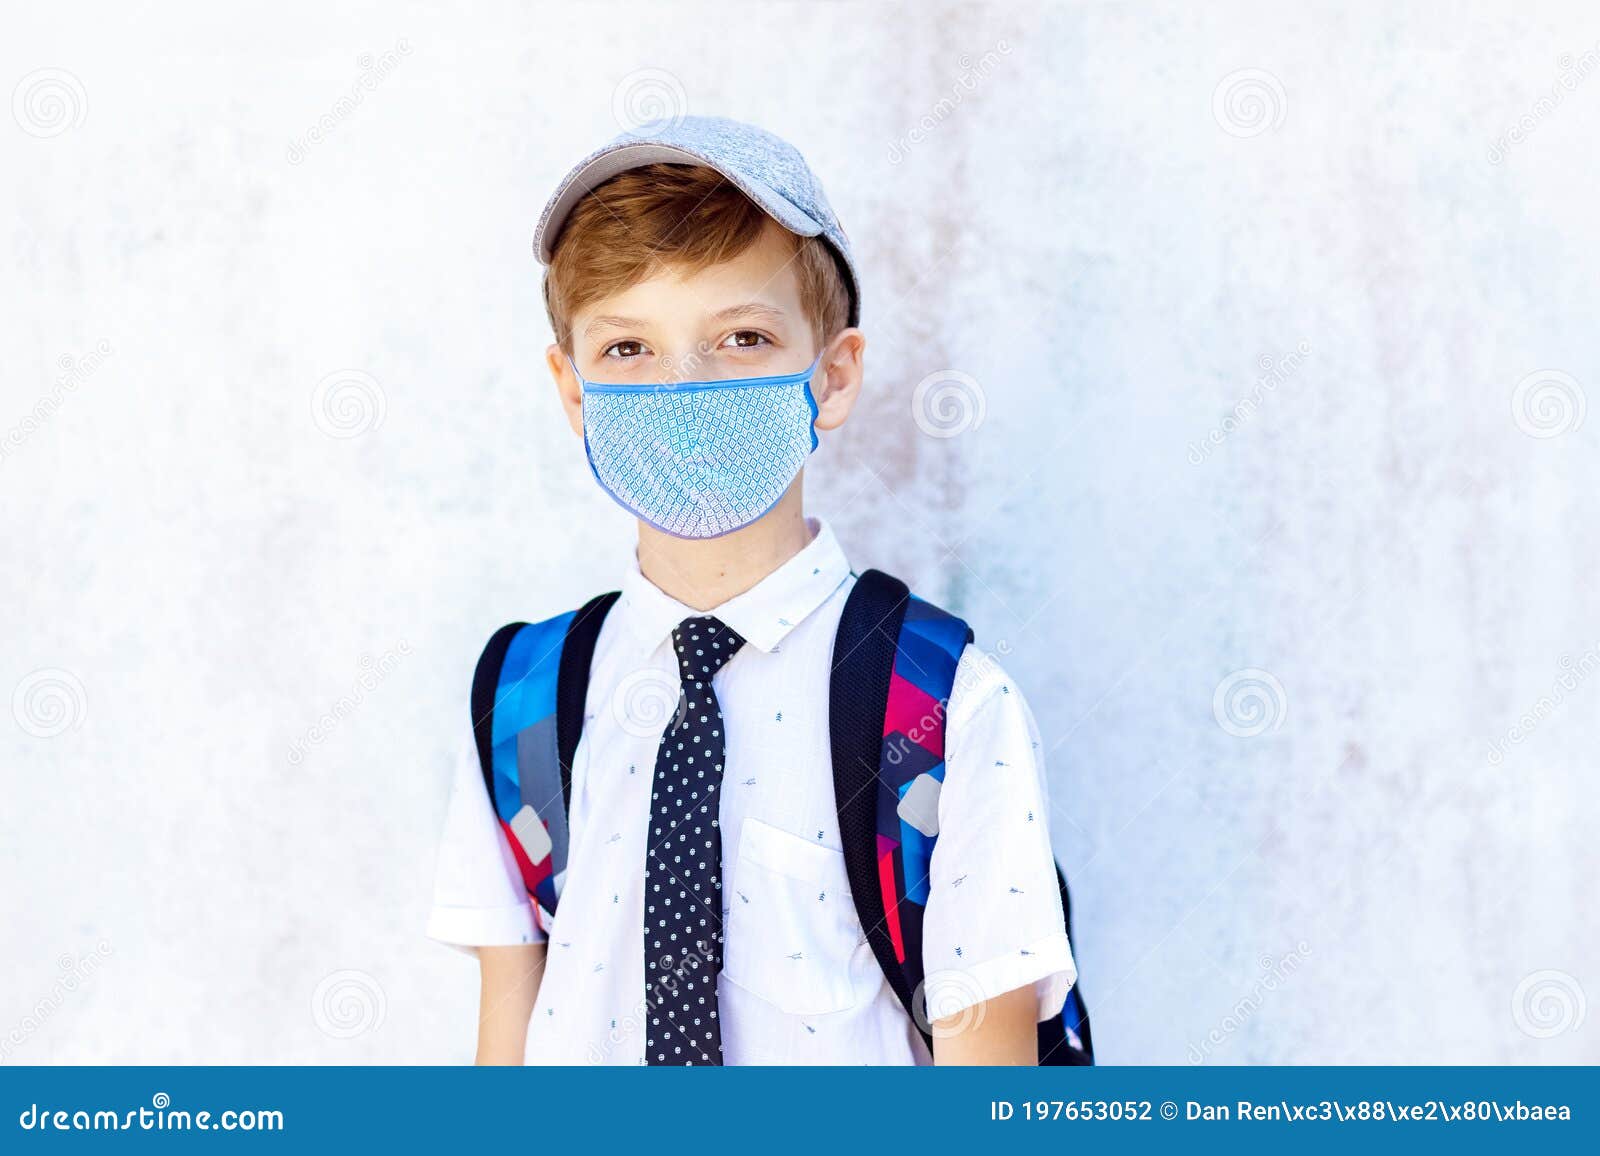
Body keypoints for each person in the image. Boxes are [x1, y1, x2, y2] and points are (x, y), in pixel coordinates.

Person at [427, 116, 1077, 1066]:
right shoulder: (520, 699)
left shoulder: (946, 708)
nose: (683, 392)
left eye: (741, 336)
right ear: (573, 394)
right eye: (628, 350)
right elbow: (506, 1057)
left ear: (835, 376)